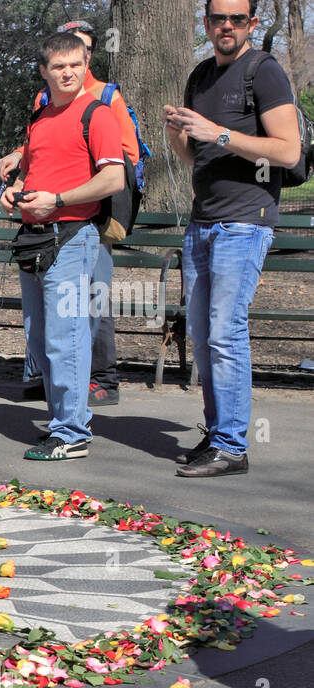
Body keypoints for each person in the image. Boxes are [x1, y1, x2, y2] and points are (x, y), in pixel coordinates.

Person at [164, 0, 301, 477]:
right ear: (206, 23)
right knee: (203, 337)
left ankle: (232, 446)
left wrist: (218, 133)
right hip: (202, 222)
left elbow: (288, 150)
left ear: (252, 24)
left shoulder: (263, 72)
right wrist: (179, 133)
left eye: (237, 19)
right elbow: (194, 159)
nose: (227, 26)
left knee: (225, 332)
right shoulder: (200, 76)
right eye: (218, 18)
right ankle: (217, 436)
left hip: (245, 222)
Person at [0, 18, 141, 407]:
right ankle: (61, 407)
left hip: (84, 227)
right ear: (45, 68)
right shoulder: (41, 109)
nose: (69, 70)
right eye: (60, 63)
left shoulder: (103, 103)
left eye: (77, 60)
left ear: (87, 58)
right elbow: (38, 160)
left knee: (84, 320)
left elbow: (121, 168)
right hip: (37, 235)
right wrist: (16, 185)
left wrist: (61, 197)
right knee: (45, 334)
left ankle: (92, 395)